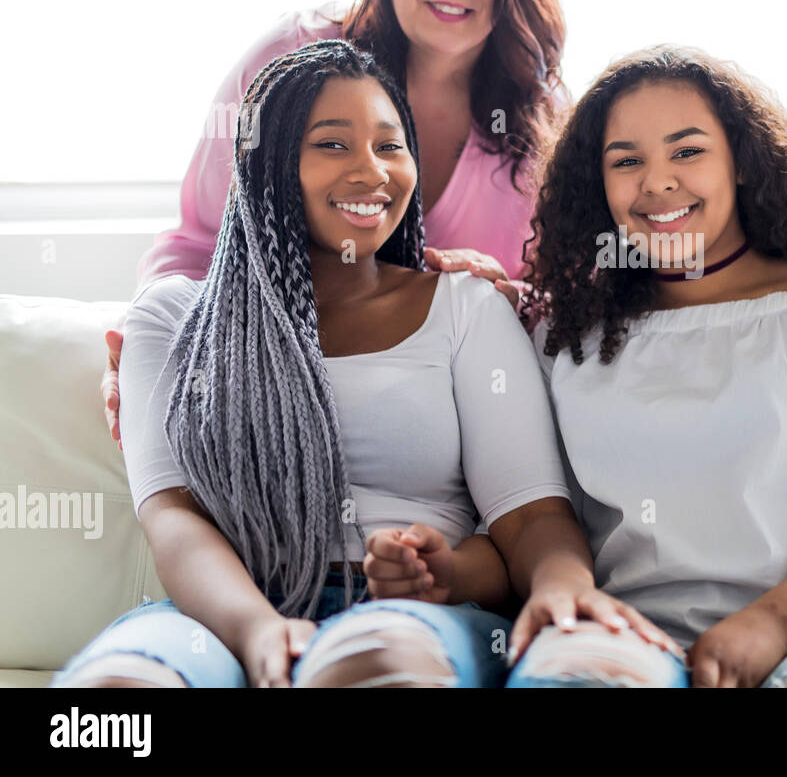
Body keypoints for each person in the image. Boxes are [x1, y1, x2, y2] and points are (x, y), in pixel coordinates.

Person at [53, 41, 678, 688]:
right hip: (224, 612)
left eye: (389, 146)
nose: (371, 171)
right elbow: (174, 519)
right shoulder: (174, 320)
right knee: (117, 688)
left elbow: (531, 520)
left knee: (375, 667)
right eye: (332, 144)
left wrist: (529, 582)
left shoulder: (464, 308)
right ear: (264, 162)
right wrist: (258, 629)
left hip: (415, 618)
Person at [371, 46, 787, 687]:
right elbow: (536, 522)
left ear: (742, 162)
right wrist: (451, 571)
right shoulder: (560, 334)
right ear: (596, 185)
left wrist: (771, 625)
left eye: (687, 152)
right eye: (626, 161)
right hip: (629, 634)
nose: (657, 182)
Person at [102, 0, 564, 448]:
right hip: (274, 394)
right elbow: (196, 246)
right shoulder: (290, 61)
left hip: (441, 428)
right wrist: (146, 345)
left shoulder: (542, 119)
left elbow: (566, 302)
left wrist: (511, 299)